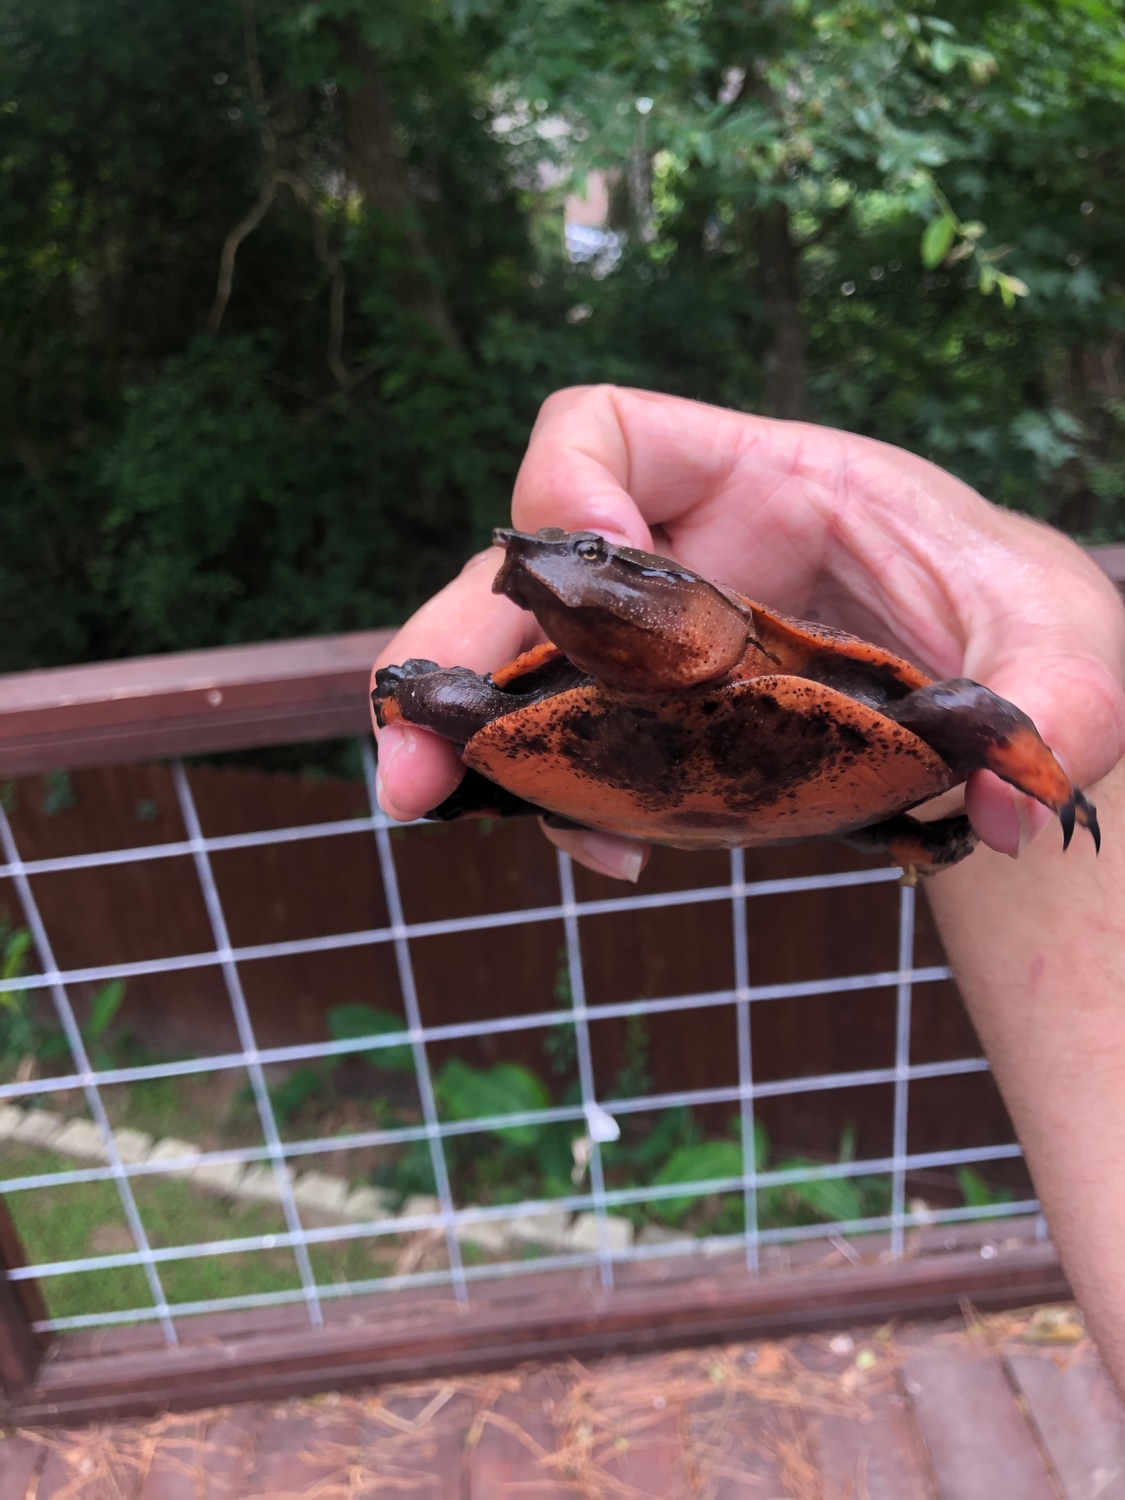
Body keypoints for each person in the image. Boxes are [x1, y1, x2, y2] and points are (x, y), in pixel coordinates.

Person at [372, 384, 1125, 1387]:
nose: (558, 572)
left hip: (846, 783)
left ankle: (903, 832)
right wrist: (411, 693)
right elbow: (448, 705)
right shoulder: (537, 682)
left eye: (595, 560)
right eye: (550, 572)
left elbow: (962, 711)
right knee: (443, 739)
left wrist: (1033, 757)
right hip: (659, 776)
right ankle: (905, 831)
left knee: (951, 731)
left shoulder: (834, 675)